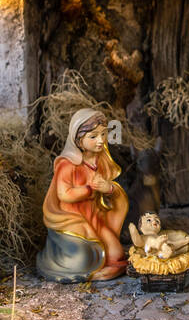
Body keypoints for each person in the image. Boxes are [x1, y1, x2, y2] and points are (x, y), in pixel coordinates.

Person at [38, 108, 130, 283]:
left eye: (104, 134)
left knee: (117, 254)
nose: (101, 141)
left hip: (94, 217)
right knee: (81, 258)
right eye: (93, 136)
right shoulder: (68, 164)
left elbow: (111, 191)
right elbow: (64, 194)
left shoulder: (100, 161)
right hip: (71, 220)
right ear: (78, 140)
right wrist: (89, 189)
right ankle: (88, 272)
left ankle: (104, 267)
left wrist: (108, 188)